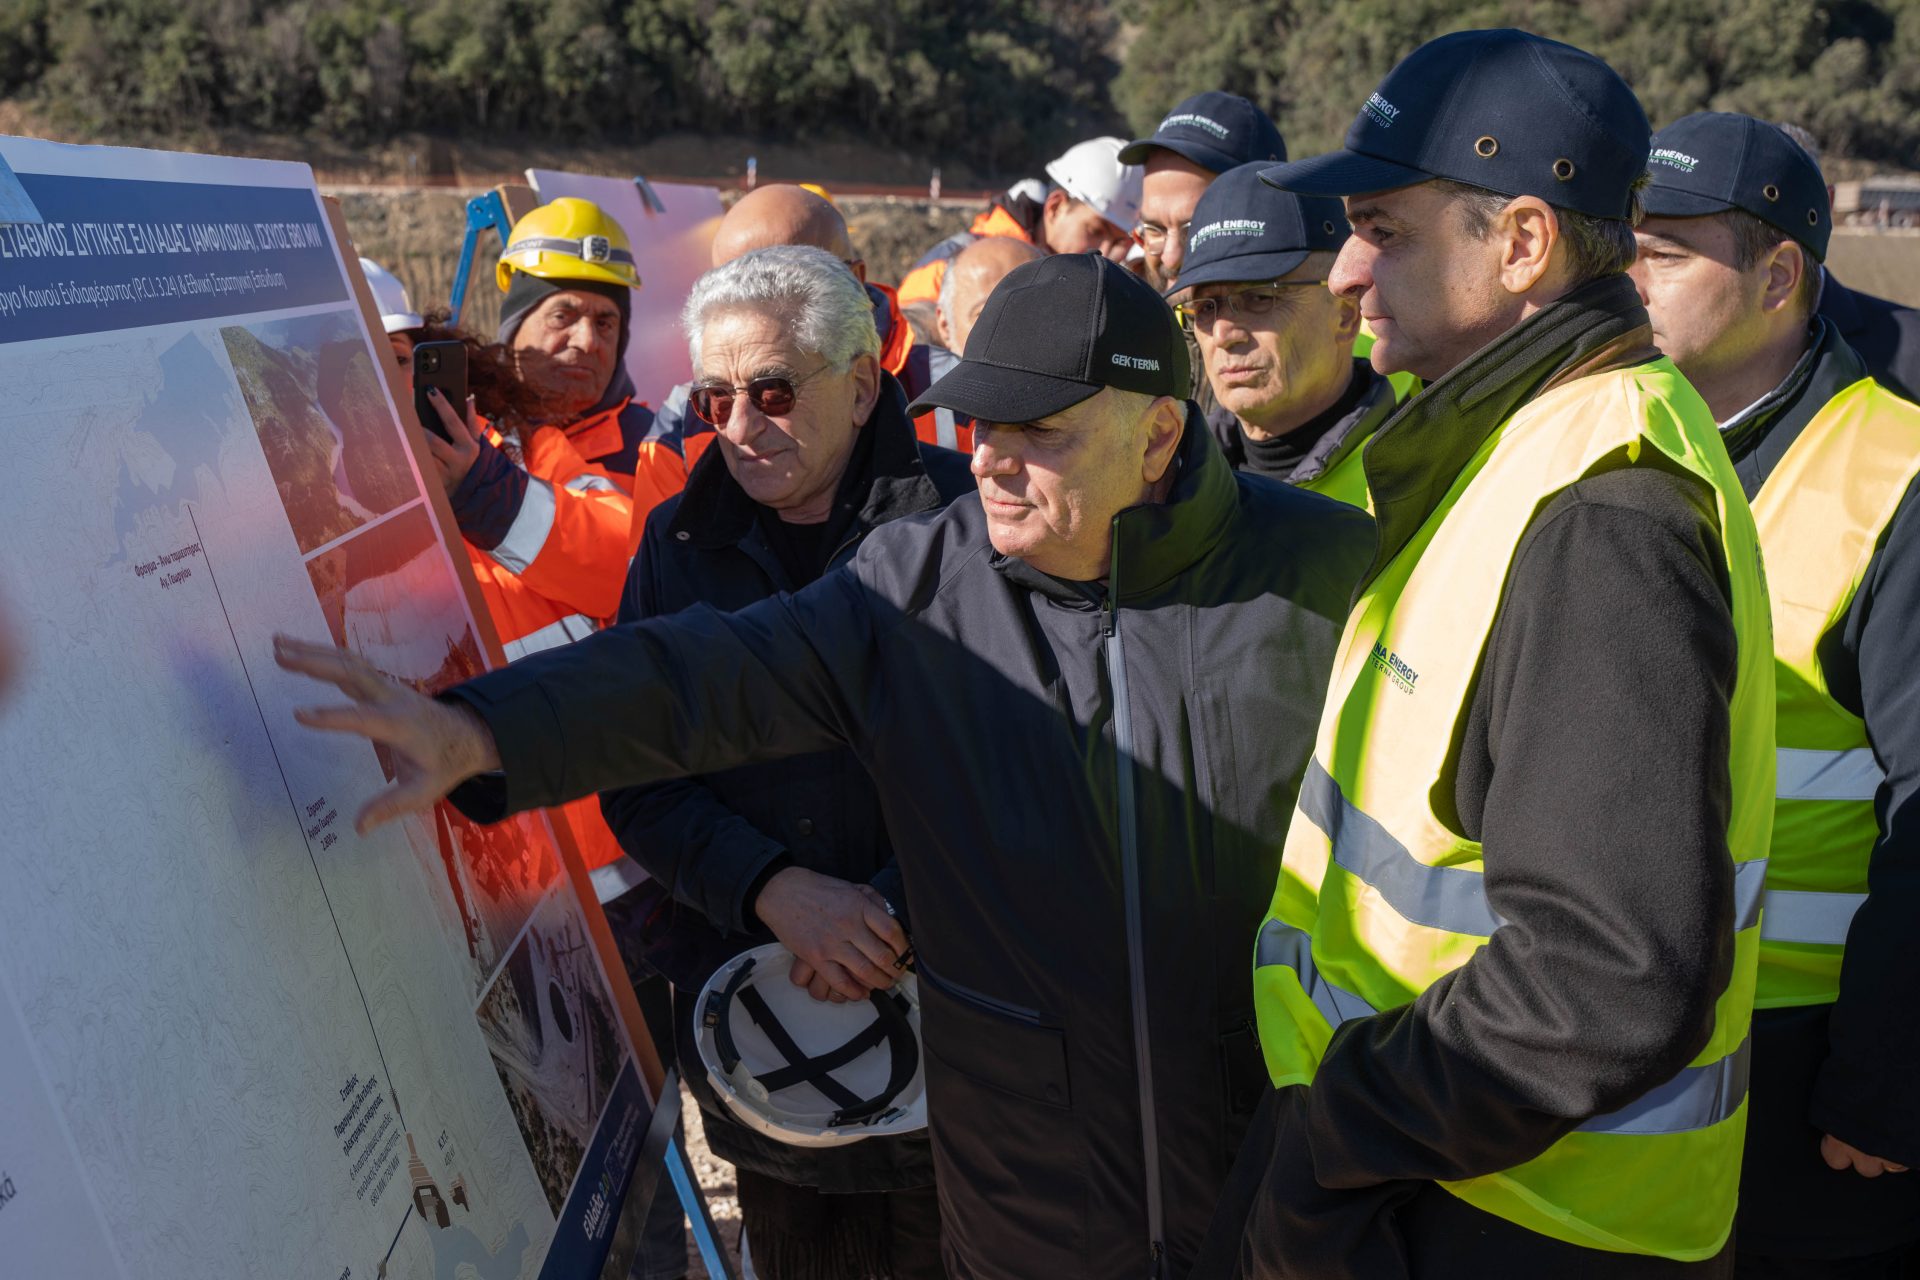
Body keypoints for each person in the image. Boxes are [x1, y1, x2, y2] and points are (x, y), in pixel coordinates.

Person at [273, 252, 1375, 1280]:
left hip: (1265, 1184)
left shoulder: (1331, 575)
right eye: (981, 420)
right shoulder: (923, 580)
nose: (991, 455)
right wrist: (486, 733)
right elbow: (692, 678)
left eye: (1036, 428)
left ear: (1156, 435)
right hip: (1023, 1203)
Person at [1204, 30, 1776, 1278]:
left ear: (1521, 244)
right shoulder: (1522, 443)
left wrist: (1339, 1127)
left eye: (1383, 229)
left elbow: (1609, 974)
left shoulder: (1603, 511)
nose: (1347, 272)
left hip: (1504, 1213)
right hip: (1434, 1177)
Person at [600, 244, 975, 1279]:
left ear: (861, 386)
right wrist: (774, 889)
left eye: (771, 391)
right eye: (714, 398)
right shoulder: (675, 547)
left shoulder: (974, 522)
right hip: (768, 1043)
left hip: (966, 1040)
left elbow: (1034, 757)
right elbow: (638, 775)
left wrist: (894, 910)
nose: (739, 428)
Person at [1632, 111, 1920, 1279]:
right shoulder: (1617, 435)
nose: (1625, 274)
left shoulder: (1893, 477)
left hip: (1812, 1072)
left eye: (1660, 250)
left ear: (1779, 275)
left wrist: (1886, 1078)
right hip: (1634, 1047)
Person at [1166, 162, 1401, 507]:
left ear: (1345, 315)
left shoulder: (1409, 479)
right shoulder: (1172, 481)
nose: (1223, 333)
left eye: (1260, 297)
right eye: (1205, 307)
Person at [655, 184, 939, 468]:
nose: (740, 429)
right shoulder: (683, 420)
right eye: (731, 283)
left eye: (786, 281)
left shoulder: (946, 389)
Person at [894, 137, 1142, 309]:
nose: (1106, 253)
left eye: (1121, 241)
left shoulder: (1090, 291)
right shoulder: (949, 267)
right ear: (1055, 207)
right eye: (1095, 230)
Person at [921, 235, 1045, 451]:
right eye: (985, 316)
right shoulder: (911, 412)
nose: (1011, 331)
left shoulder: (1089, 411)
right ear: (945, 325)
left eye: (1029, 311)